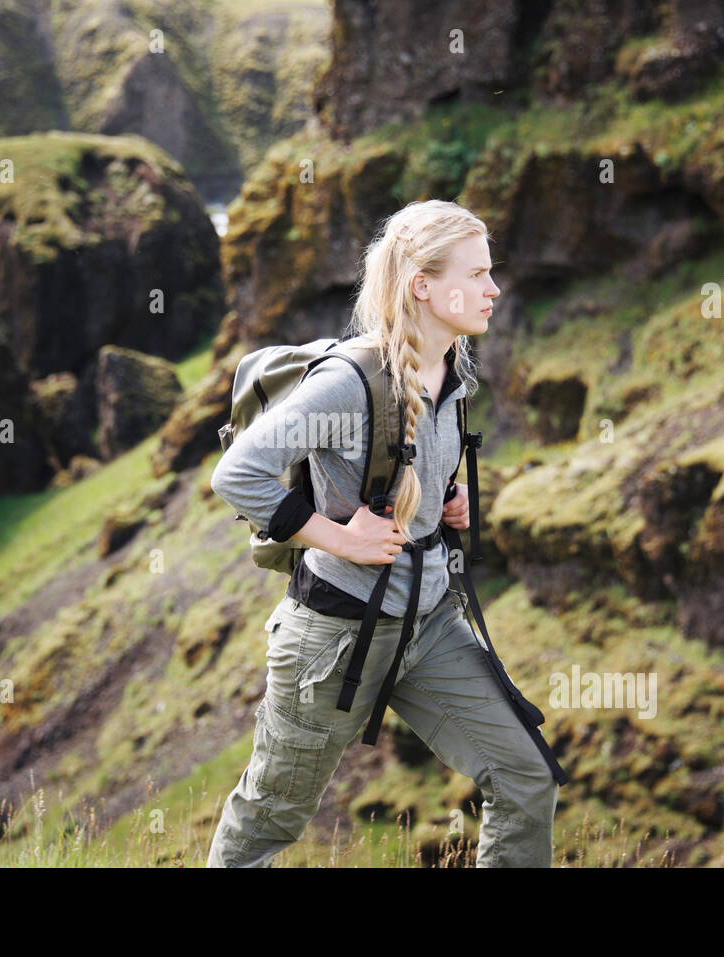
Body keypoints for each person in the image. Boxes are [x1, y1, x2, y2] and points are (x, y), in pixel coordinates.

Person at [206, 199, 558, 867]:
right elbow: (237, 472)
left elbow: (410, 465)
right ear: (423, 284)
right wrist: (340, 538)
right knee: (268, 818)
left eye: (493, 273)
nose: (495, 288)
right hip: (334, 638)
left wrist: (442, 504)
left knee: (525, 776)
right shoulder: (348, 382)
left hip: (429, 624)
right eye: (478, 273)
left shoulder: (453, 368)